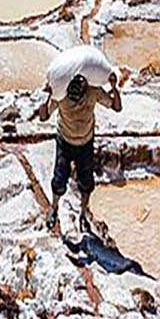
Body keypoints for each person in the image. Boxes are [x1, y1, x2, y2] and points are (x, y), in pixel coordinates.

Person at [33, 57, 121, 235]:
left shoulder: (93, 92)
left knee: (86, 181)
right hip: (65, 141)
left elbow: (116, 107)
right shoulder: (60, 96)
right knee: (59, 178)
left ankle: (83, 212)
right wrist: (48, 95)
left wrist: (113, 88)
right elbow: (43, 117)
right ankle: (54, 208)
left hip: (85, 142)